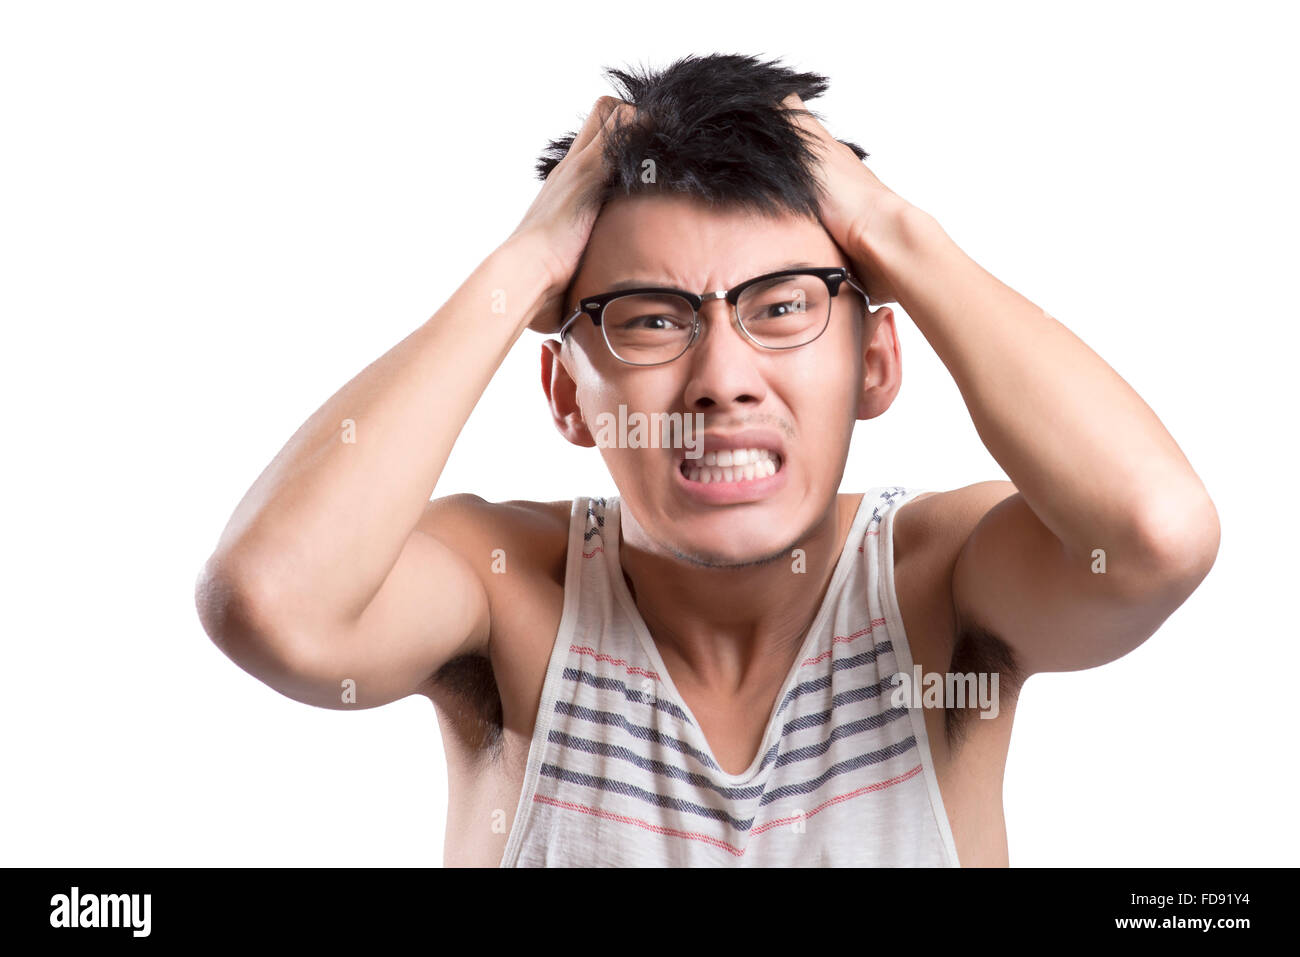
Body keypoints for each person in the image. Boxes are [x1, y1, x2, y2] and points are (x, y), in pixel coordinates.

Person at [195, 53, 1220, 867]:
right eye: (650, 319)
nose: (721, 378)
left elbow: (1154, 534)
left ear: (874, 362)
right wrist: (522, 266)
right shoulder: (506, 596)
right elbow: (273, 601)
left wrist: (894, 231)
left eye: (782, 307)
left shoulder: (939, 590)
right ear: (565, 396)